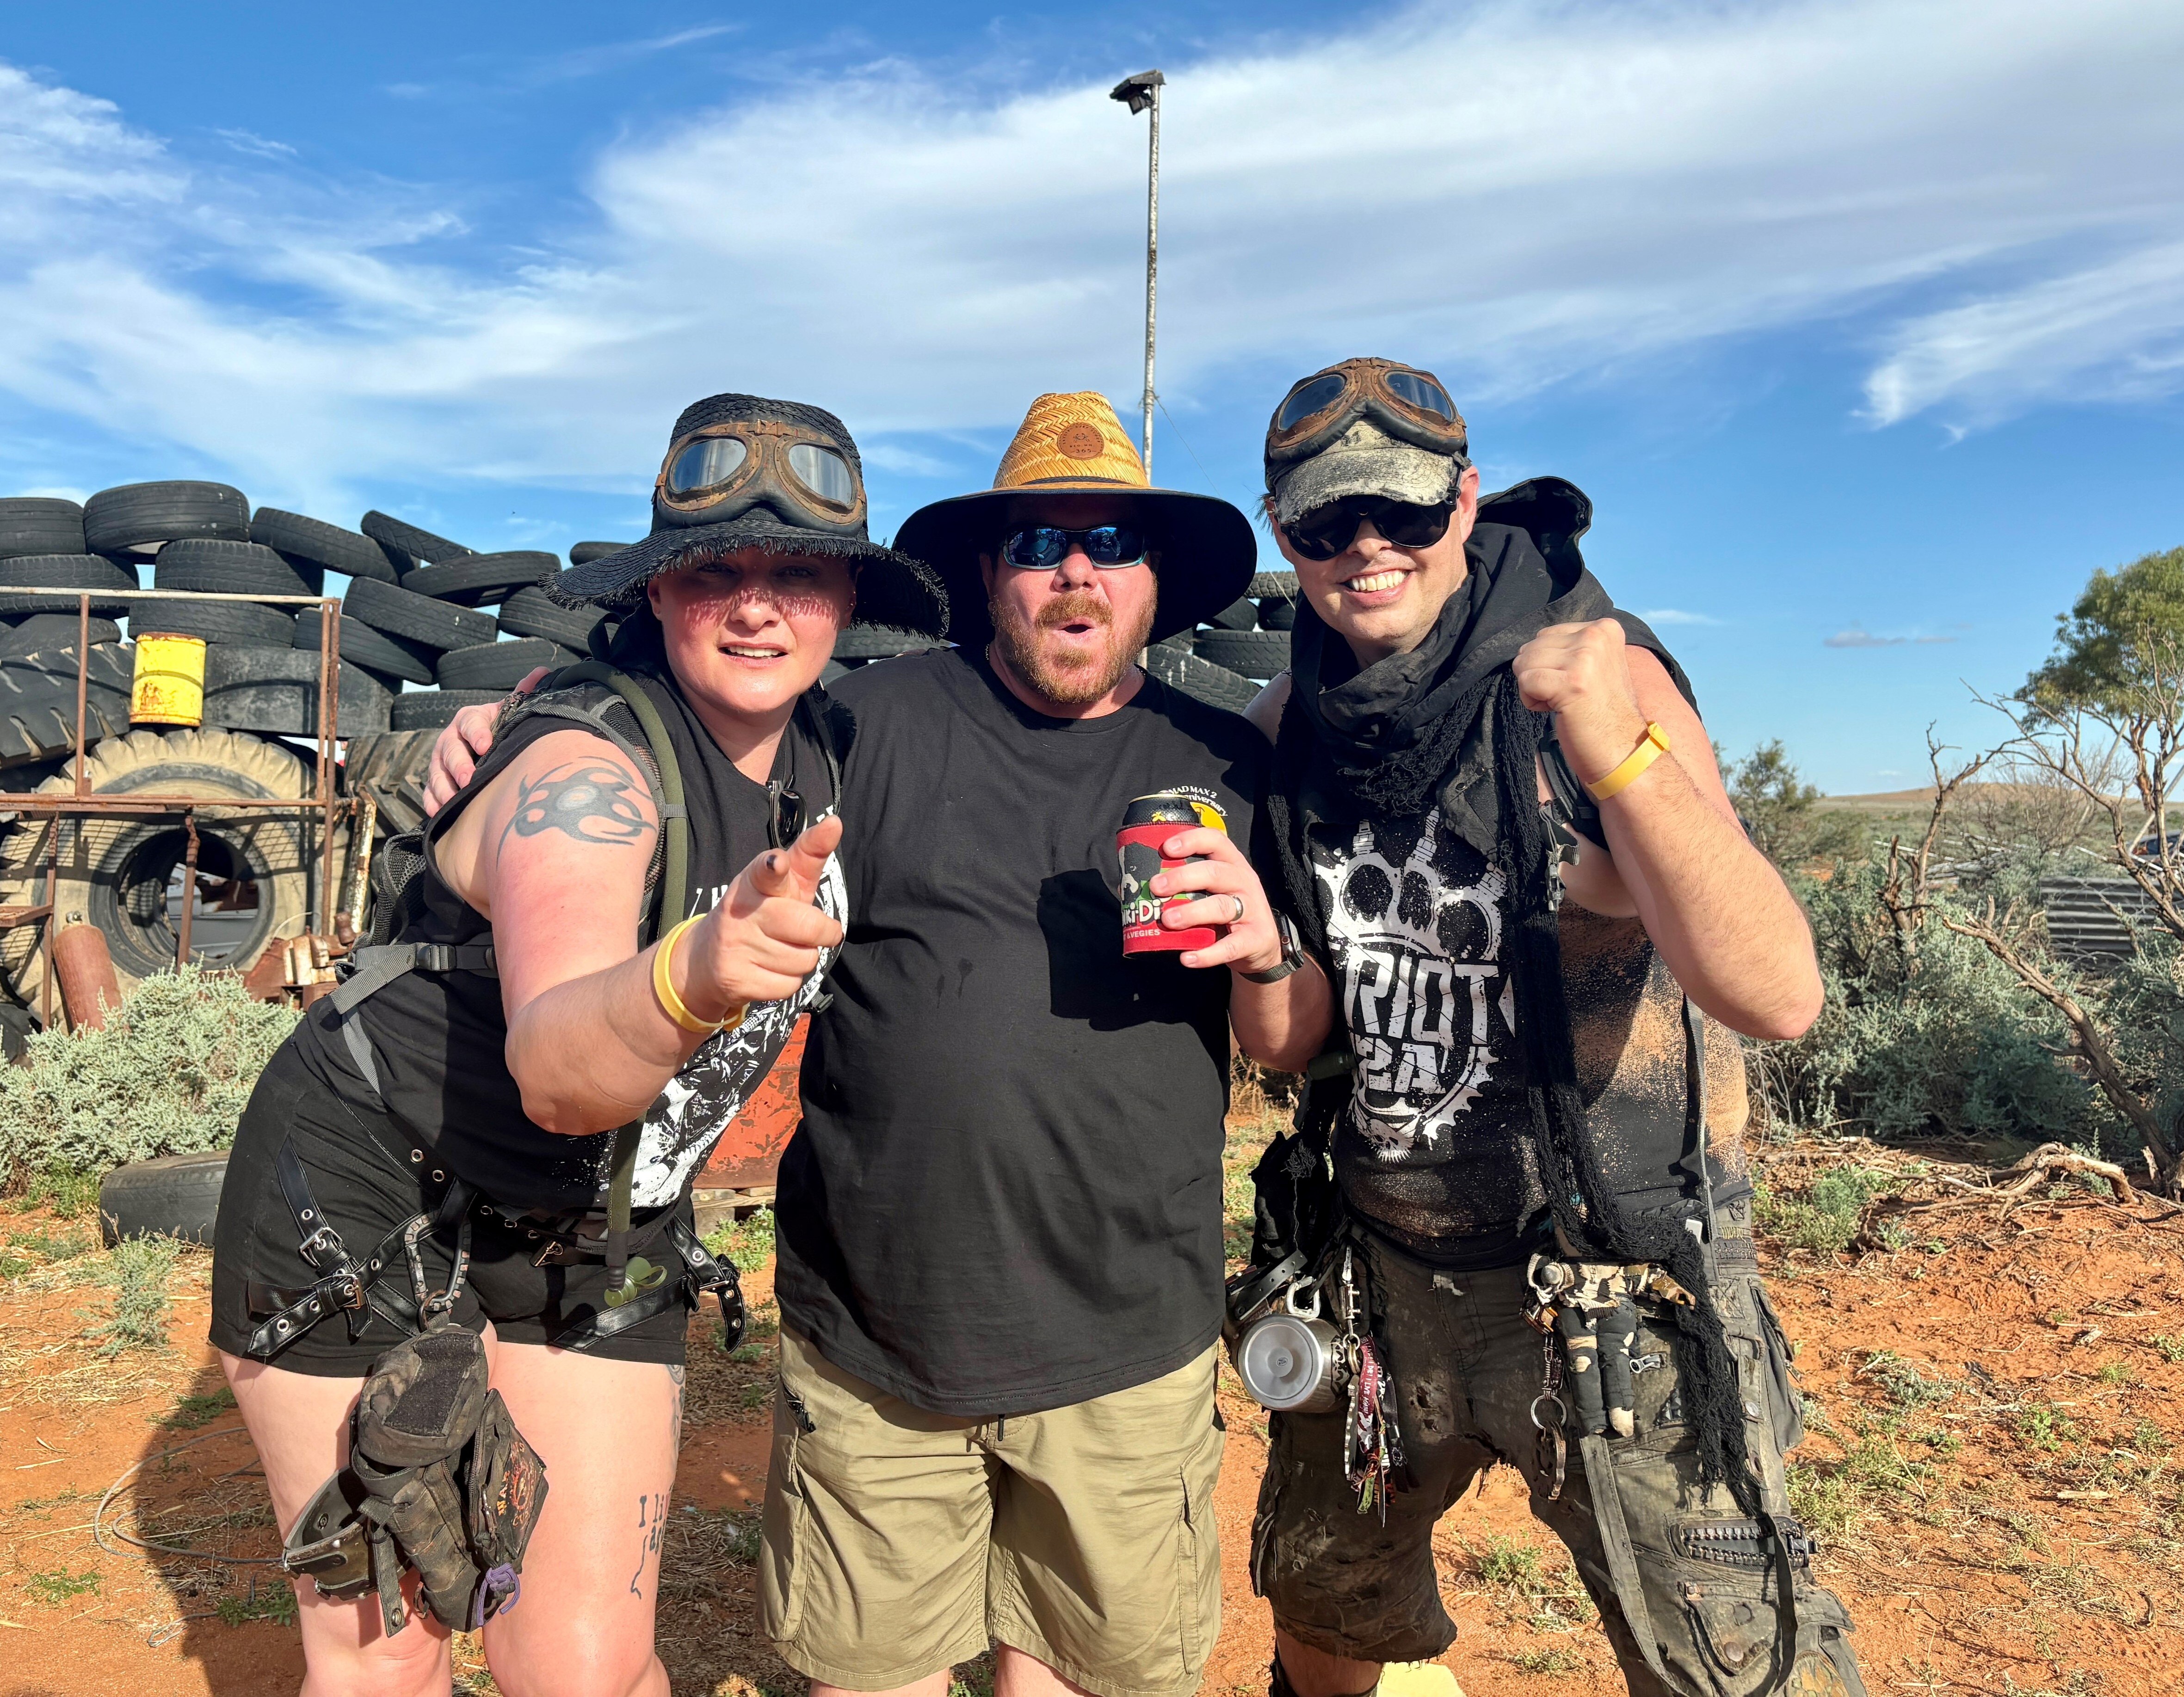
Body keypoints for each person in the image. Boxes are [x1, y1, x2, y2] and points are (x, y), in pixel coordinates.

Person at [430, 391, 1332, 1697]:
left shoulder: (1219, 765)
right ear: (986, 574)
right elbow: (690, 739)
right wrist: (523, 722)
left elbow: (1289, 1042)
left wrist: (1261, 948)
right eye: (1035, 544)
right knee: (871, 1676)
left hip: (1130, 1333)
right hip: (882, 1331)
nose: (1073, 569)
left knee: (1087, 1676)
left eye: (1109, 543)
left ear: (1152, 582)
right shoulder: (866, 726)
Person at [210, 391, 947, 1697]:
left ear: (846, 598)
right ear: (659, 597)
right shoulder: (583, 778)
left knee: (586, 1664)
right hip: (373, 1187)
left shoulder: (830, 749)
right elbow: (558, 1068)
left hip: (593, 1217)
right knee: (391, 1646)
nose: (758, 606)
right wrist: (696, 971)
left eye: (797, 574)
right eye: (715, 570)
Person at [1233, 359, 1864, 1697]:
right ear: (1281, 528)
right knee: (1329, 1617)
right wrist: (1253, 942)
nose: (1365, 550)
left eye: (1401, 513)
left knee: (1730, 1672)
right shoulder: (1294, 718)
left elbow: (1775, 992)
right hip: (1379, 1271)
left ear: (1463, 503)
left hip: (1601, 1287)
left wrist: (1617, 751)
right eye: (1324, 523)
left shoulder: (1593, 673)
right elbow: (1295, 1042)